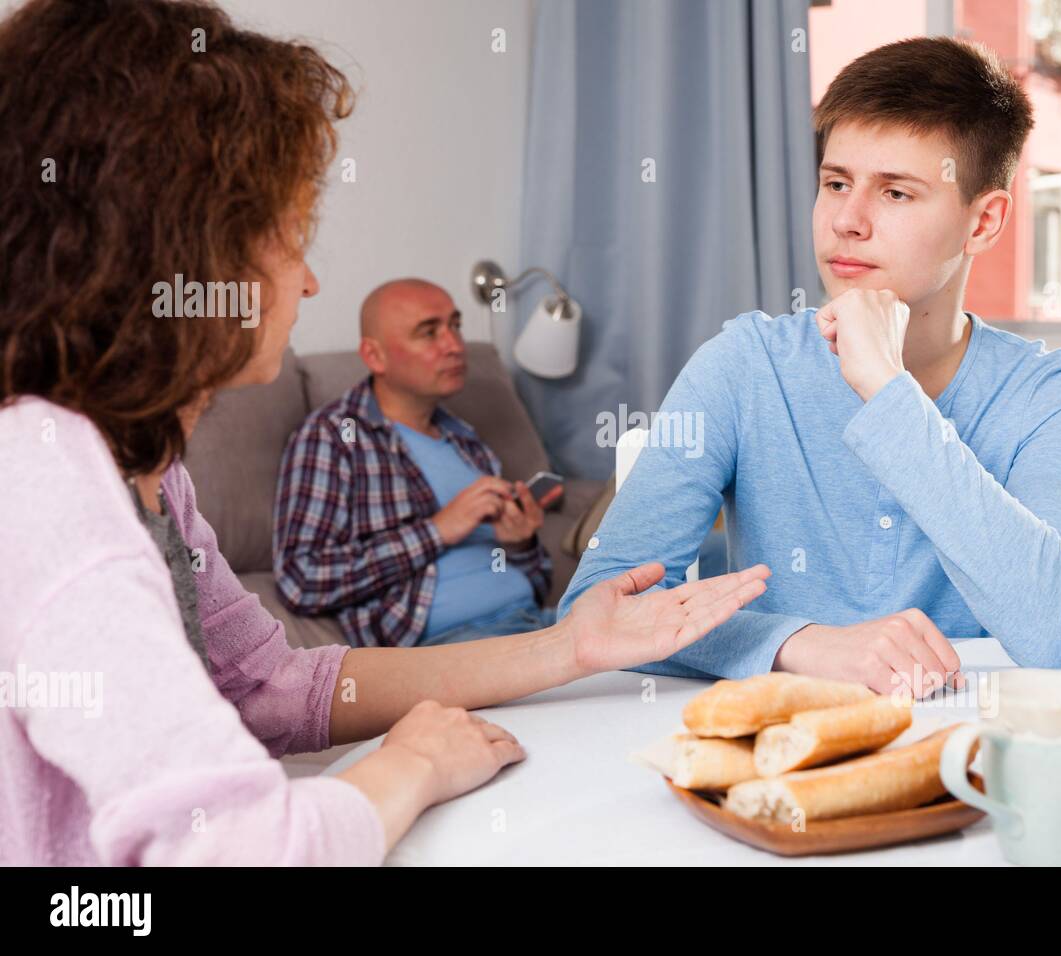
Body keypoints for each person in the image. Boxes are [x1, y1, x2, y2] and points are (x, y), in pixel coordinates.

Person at [0, 0, 769, 866]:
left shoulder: (146, 465)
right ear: (189, 247)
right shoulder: (45, 479)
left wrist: (570, 646)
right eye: (291, 234)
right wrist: (410, 766)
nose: (312, 277)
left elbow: (267, 687)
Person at [559, 37, 1061, 695]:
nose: (847, 221)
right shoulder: (745, 364)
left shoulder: (1046, 393)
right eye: (836, 183)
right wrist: (797, 643)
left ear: (983, 223)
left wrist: (887, 392)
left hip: (967, 746)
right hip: (776, 742)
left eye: (897, 193)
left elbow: (1060, 633)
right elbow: (598, 611)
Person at [275, 279, 562, 648]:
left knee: (650, 630)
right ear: (374, 356)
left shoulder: (465, 440)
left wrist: (521, 545)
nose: (454, 345)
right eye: (428, 333)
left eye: (455, 326)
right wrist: (438, 531)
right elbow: (302, 581)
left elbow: (537, 583)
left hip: (535, 621)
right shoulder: (333, 437)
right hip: (456, 642)